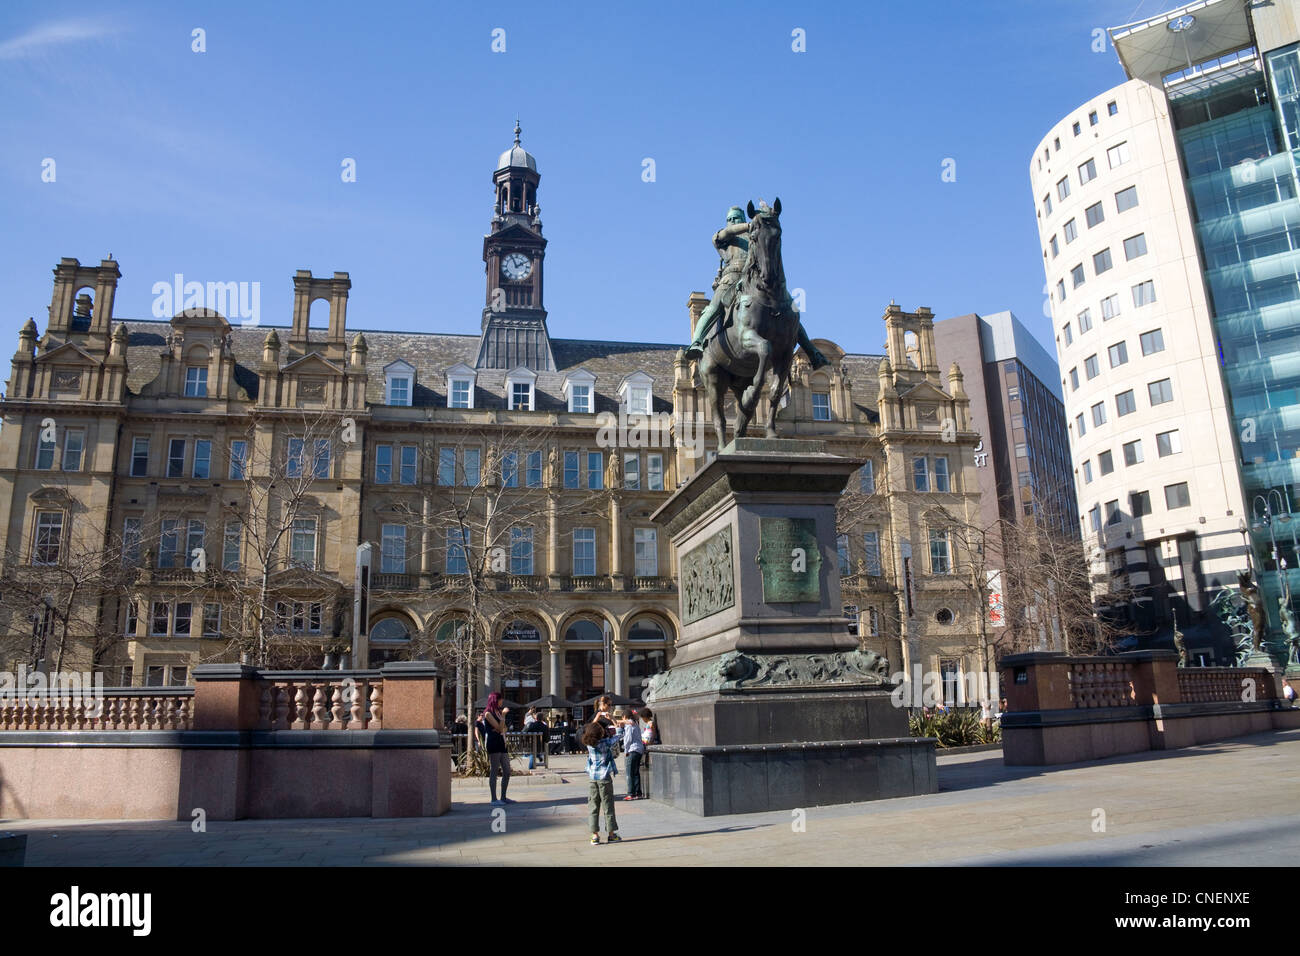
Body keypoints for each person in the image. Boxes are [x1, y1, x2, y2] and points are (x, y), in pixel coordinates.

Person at [684, 205, 828, 368]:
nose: (732, 221)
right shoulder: (724, 237)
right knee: (713, 307)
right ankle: (696, 342)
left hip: (755, 277)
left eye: (736, 218)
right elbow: (724, 233)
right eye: (729, 219)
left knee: (788, 308)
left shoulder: (755, 235)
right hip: (730, 278)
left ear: (743, 218)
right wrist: (748, 225)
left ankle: (812, 352)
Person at [583, 720, 621, 845]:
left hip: (592, 779)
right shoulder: (604, 743)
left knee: (593, 807)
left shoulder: (589, 745)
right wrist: (616, 726)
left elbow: (590, 731)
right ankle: (611, 834)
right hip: (604, 778)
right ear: (600, 734)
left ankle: (594, 835)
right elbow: (618, 736)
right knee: (608, 806)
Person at [476, 692, 512, 807]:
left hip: (502, 742)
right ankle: (494, 798)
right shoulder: (488, 713)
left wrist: (500, 727)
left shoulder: (498, 712)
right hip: (494, 743)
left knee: (507, 770)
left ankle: (503, 796)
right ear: (495, 700)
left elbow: (504, 729)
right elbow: (500, 727)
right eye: (501, 699)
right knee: (494, 770)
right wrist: (504, 717)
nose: (502, 701)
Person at [620, 708, 647, 800]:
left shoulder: (629, 725)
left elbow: (628, 739)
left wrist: (626, 750)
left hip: (632, 750)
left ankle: (630, 793)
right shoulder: (635, 723)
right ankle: (638, 793)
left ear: (625, 717)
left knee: (629, 773)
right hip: (639, 750)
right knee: (636, 772)